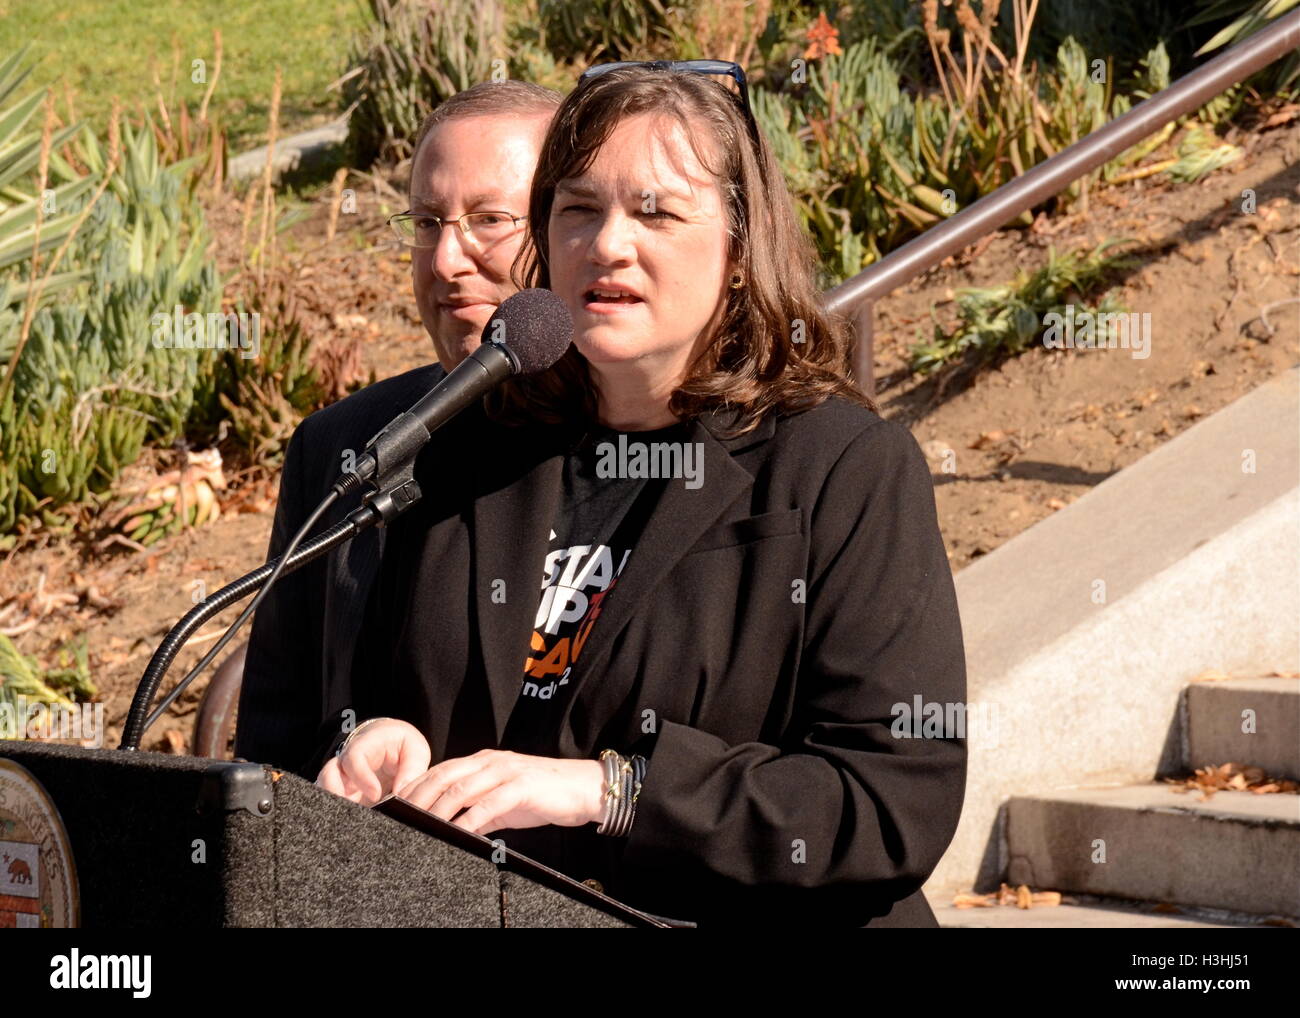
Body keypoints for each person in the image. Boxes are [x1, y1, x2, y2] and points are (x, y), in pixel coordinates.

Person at [303, 62, 968, 927]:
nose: (608, 243)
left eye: (655, 211)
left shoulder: (842, 468)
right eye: (578, 208)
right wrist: (374, 741)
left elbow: (889, 802)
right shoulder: (467, 450)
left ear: (737, 249)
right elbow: (340, 712)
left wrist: (615, 791)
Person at [234, 80, 562, 783]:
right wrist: (343, 763)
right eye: (426, 223)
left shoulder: (639, 447)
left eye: (489, 220)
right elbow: (271, 751)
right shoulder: (339, 447)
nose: (447, 260)